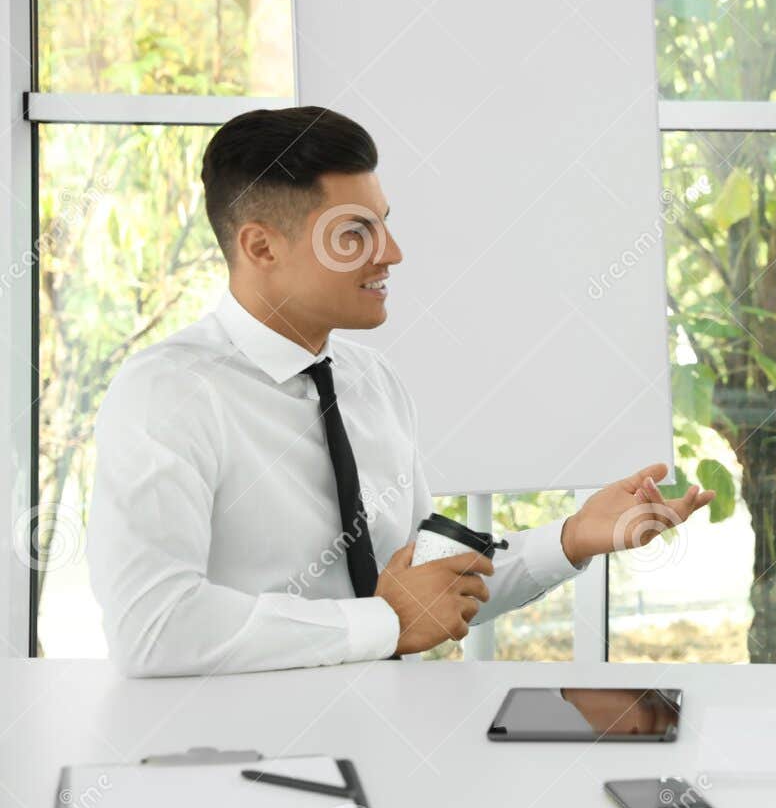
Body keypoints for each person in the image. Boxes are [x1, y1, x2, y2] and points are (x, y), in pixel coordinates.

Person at [88, 107, 714, 677]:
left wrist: (574, 536)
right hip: (248, 770)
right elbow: (153, 628)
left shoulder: (371, 381)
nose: (393, 253)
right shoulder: (168, 395)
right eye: (355, 233)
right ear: (260, 246)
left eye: (383, 225)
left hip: (393, 740)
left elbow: (424, 590)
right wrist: (384, 622)